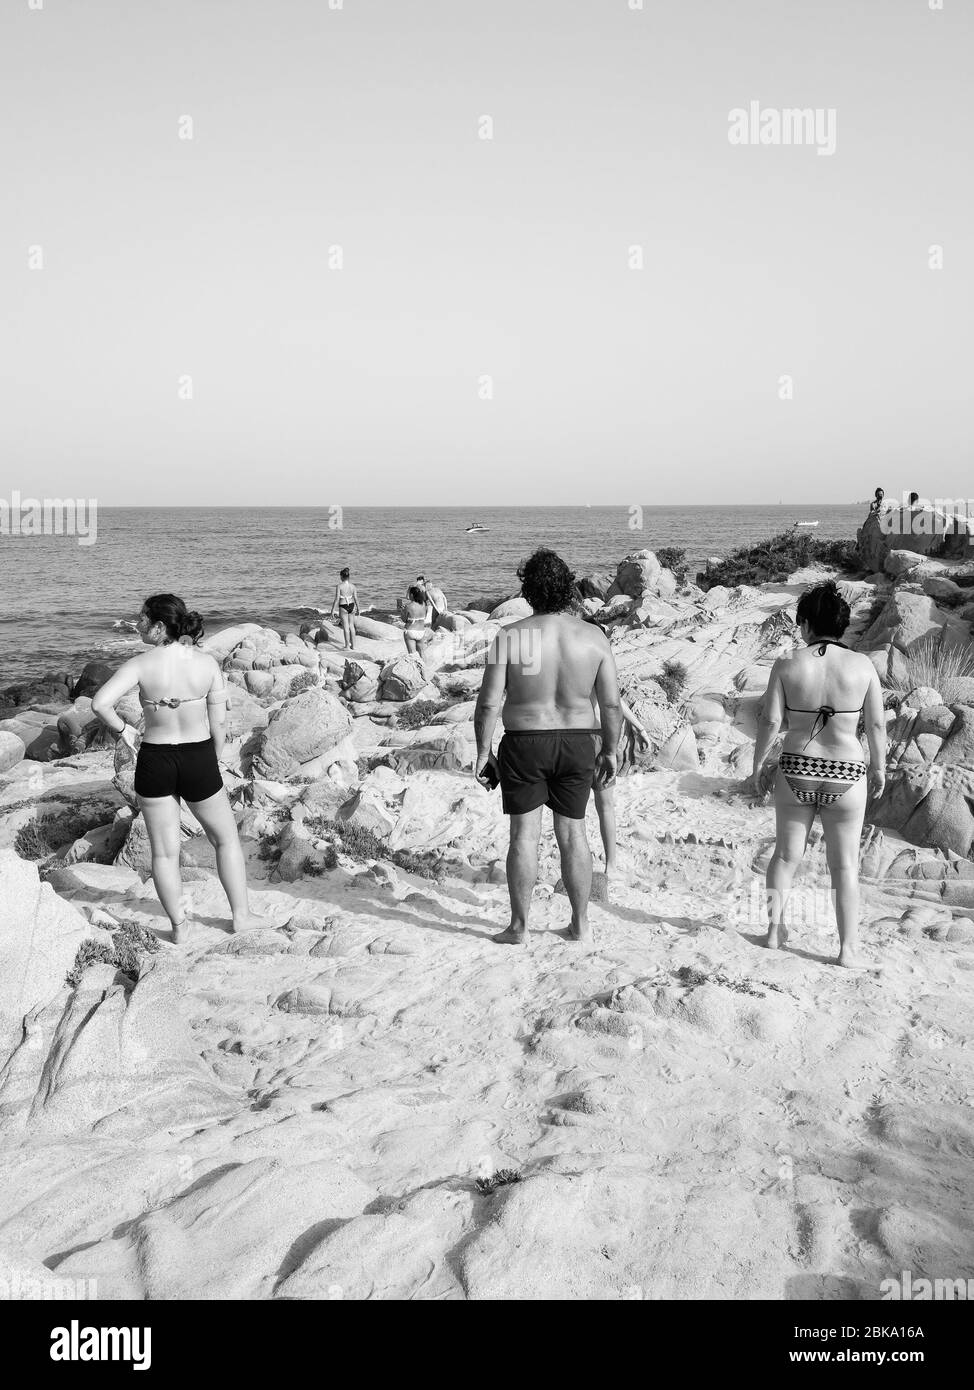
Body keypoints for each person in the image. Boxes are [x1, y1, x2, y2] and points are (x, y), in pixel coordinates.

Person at [92, 594, 272, 943]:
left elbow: (100, 704)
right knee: (225, 839)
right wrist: (211, 760)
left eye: (142, 618)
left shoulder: (140, 664)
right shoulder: (206, 664)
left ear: (159, 627)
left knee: (164, 852)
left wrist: (125, 731)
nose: (137, 623)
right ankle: (241, 916)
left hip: (155, 760)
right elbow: (219, 725)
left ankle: (179, 928)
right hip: (197, 758)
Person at [474, 548, 622, 945]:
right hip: (578, 742)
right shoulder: (593, 637)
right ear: (567, 587)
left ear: (528, 590)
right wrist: (609, 749)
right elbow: (610, 703)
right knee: (574, 833)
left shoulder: (511, 636)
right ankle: (580, 924)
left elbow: (489, 703)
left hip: (525, 742)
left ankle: (520, 927)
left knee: (523, 835)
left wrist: (483, 752)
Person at [749, 580, 886, 968]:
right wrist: (879, 768)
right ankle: (846, 951)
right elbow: (876, 727)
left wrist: (758, 765)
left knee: (786, 856)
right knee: (844, 866)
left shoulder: (788, 661)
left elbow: (771, 719)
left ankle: (774, 933)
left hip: (796, 768)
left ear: (806, 623)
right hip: (846, 772)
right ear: (842, 624)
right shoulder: (863, 666)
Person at [592, 696, 649, 887]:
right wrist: (639, 728)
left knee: (571, 813)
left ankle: (574, 867)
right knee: (606, 807)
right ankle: (611, 866)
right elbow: (612, 699)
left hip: (567, 737)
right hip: (595, 737)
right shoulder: (594, 664)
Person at [331, 567, 359, 650]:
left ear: (341, 577)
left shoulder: (339, 586)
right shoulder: (353, 586)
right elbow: (356, 598)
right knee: (352, 626)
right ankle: (353, 646)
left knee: (346, 627)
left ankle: (347, 646)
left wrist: (332, 610)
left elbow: (336, 599)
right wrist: (358, 608)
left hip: (343, 606)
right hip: (352, 605)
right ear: (348, 577)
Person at [401, 585, 431, 655]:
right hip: (421, 631)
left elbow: (404, 620)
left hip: (410, 631)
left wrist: (402, 611)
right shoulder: (424, 604)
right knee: (422, 653)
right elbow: (425, 616)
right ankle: (424, 666)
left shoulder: (408, 606)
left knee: (412, 655)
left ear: (411, 595)